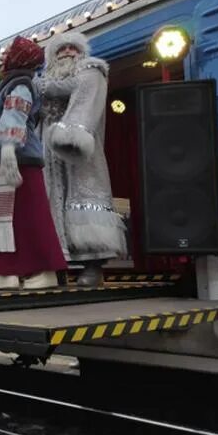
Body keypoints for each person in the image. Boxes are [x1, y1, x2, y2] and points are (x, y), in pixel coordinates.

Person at [37, 31, 126, 286]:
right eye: (60, 49)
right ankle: (57, 263)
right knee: (51, 204)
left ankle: (93, 265)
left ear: (81, 53)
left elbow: (80, 89)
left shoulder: (91, 70)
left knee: (86, 202)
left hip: (81, 153)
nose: (67, 52)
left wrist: (50, 89)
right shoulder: (43, 81)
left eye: (72, 48)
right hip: (49, 154)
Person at [0, 36, 67, 291]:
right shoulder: (13, 83)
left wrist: (7, 146)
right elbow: (5, 116)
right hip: (8, 159)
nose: (4, 55)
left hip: (19, 159)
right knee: (4, 217)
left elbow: (15, 114)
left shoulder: (20, 85)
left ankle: (47, 269)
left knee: (30, 216)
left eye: (9, 52)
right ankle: (7, 270)